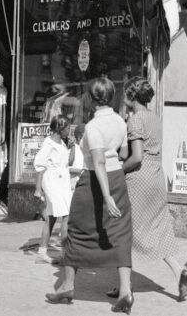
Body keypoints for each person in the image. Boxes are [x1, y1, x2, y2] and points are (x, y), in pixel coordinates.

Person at [46, 77, 134, 314]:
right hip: (117, 179)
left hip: (95, 182)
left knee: (76, 230)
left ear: (92, 99)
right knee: (120, 233)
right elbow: (123, 153)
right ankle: (125, 290)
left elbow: (99, 161)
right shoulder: (120, 121)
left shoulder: (93, 127)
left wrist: (106, 196)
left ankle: (67, 286)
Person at [118, 76, 187, 302]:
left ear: (130, 96)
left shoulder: (135, 120)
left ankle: (124, 287)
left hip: (138, 179)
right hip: (156, 178)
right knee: (157, 227)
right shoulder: (154, 117)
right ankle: (179, 270)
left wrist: (119, 171)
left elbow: (136, 157)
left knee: (125, 232)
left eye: (124, 93)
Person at [34, 115, 73, 264]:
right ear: (60, 129)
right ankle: (65, 254)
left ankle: (42, 253)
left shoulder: (62, 143)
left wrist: (72, 147)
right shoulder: (48, 144)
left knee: (51, 217)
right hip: (52, 183)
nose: (69, 131)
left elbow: (68, 162)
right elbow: (40, 166)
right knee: (66, 216)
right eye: (67, 128)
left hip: (62, 183)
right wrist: (38, 188)